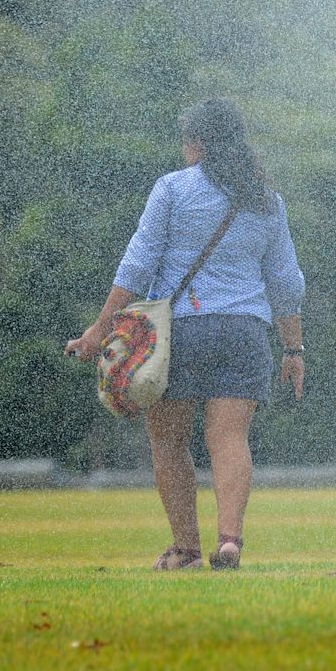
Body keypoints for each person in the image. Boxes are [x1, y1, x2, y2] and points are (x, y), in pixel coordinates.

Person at [66, 99, 305, 571]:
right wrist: (293, 348)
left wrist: (100, 328)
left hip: (181, 332)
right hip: (245, 331)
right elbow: (285, 281)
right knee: (229, 438)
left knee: (170, 442)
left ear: (196, 142)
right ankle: (230, 541)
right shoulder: (266, 200)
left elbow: (138, 264)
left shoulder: (173, 189)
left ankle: (186, 550)